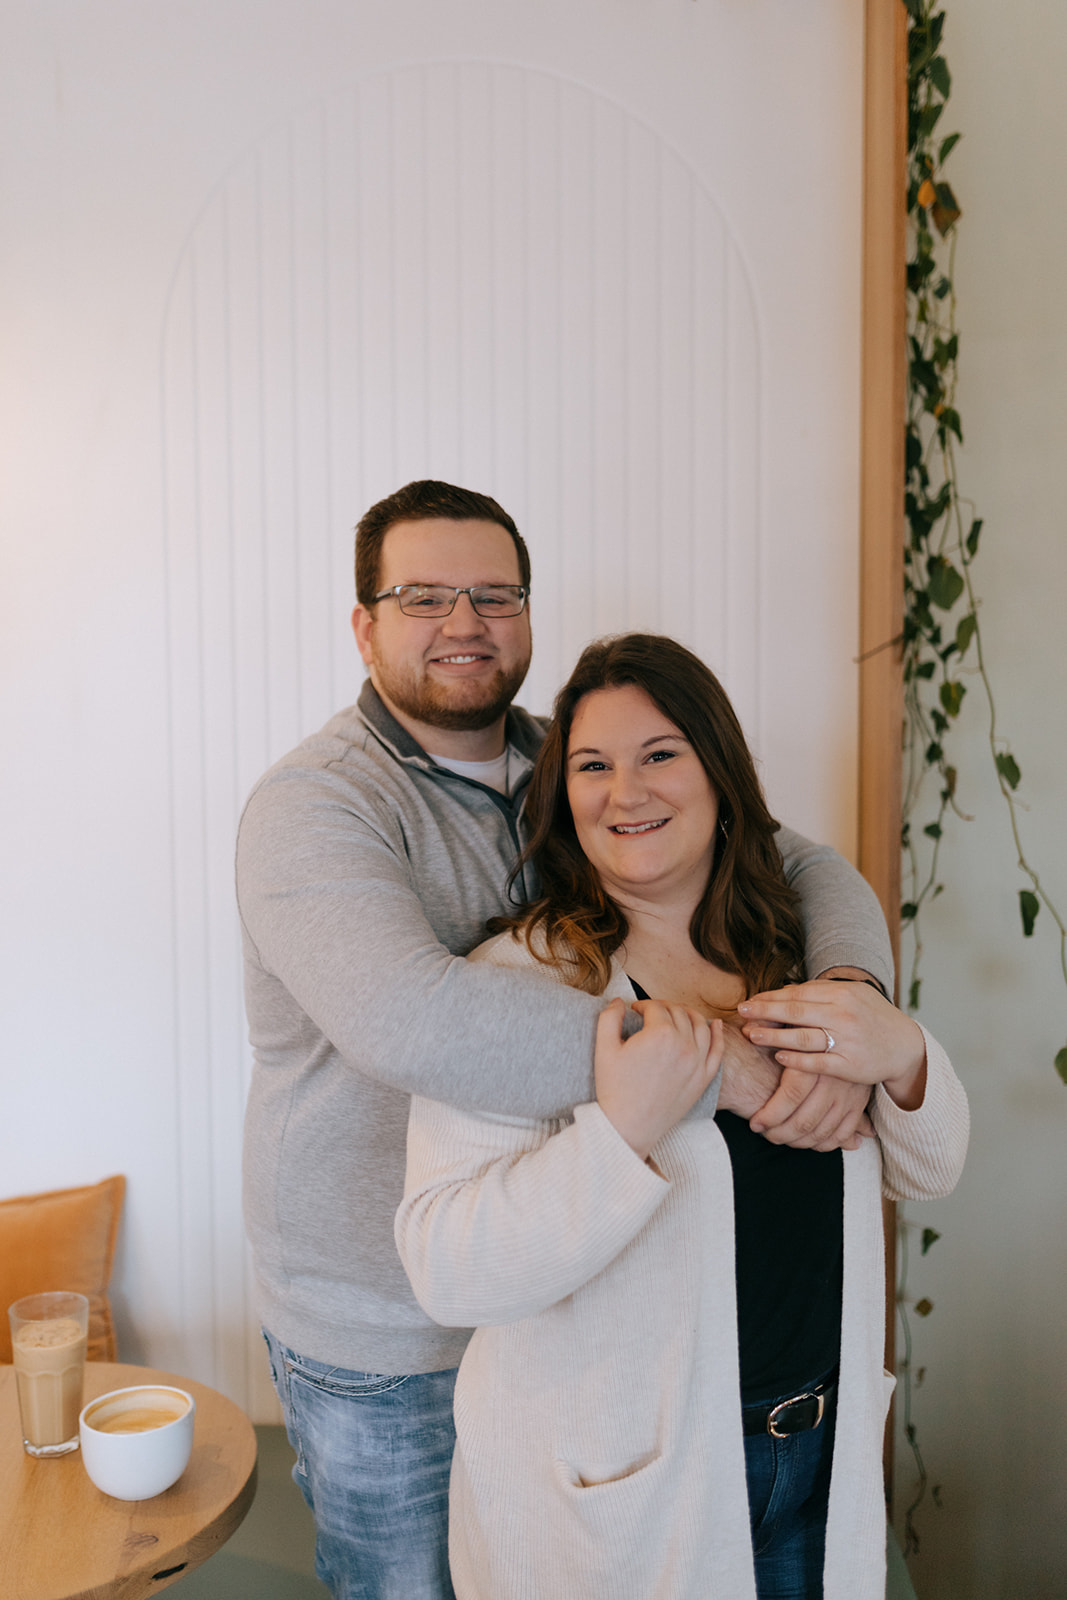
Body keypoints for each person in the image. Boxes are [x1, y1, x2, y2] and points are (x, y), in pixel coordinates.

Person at [237, 481, 898, 1600]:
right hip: (380, 1335)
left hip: (565, 1314)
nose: (465, 622)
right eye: (423, 596)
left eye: (495, 595)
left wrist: (847, 1001)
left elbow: (791, 859)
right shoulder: (315, 806)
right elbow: (411, 1018)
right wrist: (711, 1061)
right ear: (363, 624)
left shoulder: (576, 759)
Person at [396, 633, 969, 1600]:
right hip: (626, 1500)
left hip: (817, 1460)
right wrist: (617, 1138)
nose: (626, 792)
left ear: (719, 770)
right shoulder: (524, 982)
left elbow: (932, 1168)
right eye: (591, 765)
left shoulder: (804, 959)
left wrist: (904, 1055)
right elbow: (445, 1264)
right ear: (562, 796)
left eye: (659, 753)